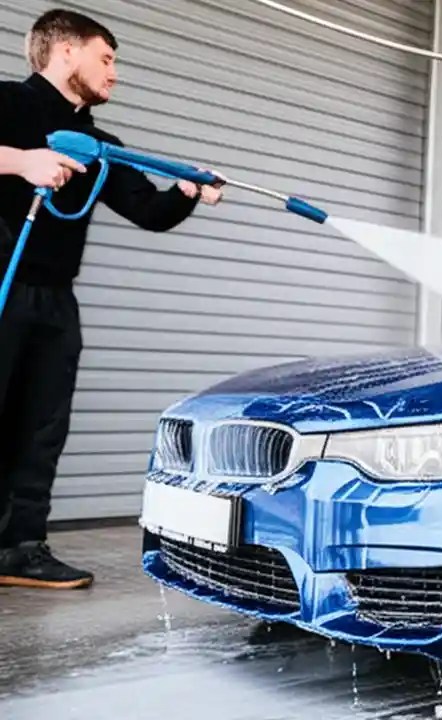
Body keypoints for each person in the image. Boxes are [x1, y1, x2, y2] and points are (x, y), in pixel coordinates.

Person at [0, 9, 224, 589]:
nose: (114, 73)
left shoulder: (101, 145)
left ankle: (20, 549)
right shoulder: (9, 105)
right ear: (66, 51)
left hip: (54, 302)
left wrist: (184, 190)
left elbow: (149, 213)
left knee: (42, 427)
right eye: (107, 58)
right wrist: (23, 161)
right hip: (2, 287)